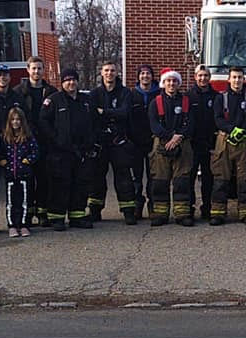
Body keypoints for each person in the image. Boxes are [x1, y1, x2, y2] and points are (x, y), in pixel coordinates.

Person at [39, 68, 97, 231]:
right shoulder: (53, 100)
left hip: (82, 151)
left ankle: (77, 216)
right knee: (60, 184)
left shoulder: (86, 100)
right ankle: (56, 217)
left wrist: (92, 141)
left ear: (77, 82)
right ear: (62, 82)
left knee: (81, 184)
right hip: (60, 151)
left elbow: (95, 121)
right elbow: (43, 122)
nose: (71, 83)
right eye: (67, 80)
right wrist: (56, 140)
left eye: (73, 80)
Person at [88, 61, 138, 224]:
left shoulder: (125, 93)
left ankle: (128, 211)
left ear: (117, 73)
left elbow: (124, 113)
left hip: (119, 141)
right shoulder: (94, 94)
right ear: (101, 73)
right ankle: (95, 211)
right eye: (106, 70)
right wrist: (111, 114)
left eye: (112, 71)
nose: (109, 73)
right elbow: (92, 116)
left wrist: (104, 112)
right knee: (96, 178)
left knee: (124, 178)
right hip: (100, 142)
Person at [210, 67, 246, 225]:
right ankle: (218, 213)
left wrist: (243, 130)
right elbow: (217, 119)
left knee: (245, 178)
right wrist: (231, 129)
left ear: (244, 80)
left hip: (244, 141)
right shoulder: (221, 98)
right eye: (234, 77)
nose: (237, 80)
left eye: (240, 77)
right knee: (221, 178)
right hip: (224, 140)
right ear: (229, 80)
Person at [14, 56, 57, 227]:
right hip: (26, 141)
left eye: (39, 68)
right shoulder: (18, 92)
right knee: (27, 180)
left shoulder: (52, 92)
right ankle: (27, 214)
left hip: (46, 141)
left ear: (43, 70)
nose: (36, 71)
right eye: (33, 68)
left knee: (44, 178)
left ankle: (42, 213)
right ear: (27, 69)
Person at [147, 68, 193, 226]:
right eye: (168, 81)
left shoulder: (186, 101)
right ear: (163, 83)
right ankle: (160, 214)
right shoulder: (155, 102)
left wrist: (178, 137)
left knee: (182, 180)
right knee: (160, 180)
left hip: (182, 143)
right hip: (161, 144)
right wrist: (169, 137)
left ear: (178, 83)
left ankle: (182, 214)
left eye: (174, 81)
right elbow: (153, 125)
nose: (171, 83)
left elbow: (191, 123)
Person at [0, 107, 39, 238]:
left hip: (24, 174)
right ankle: (12, 225)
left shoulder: (28, 137)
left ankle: (24, 224)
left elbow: (35, 152)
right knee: (11, 202)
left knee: (25, 201)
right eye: (13, 120)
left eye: (18, 120)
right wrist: (2, 161)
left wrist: (28, 160)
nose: (15, 122)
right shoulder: (5, 137)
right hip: (10, 175)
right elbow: (0, 153)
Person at [128, 64, 159, 219]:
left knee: (153, 175)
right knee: (136, 177)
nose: (145, 76)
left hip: (154, 141)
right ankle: (136, 206)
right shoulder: (132, 95)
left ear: (152, 77)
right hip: (135, 142)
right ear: (138, 76)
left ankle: (152, 205)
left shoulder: (159, 94)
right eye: (142, 74)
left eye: (148, 73)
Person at [187, 64, 217, 220]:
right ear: (195, 77)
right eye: (200, 75)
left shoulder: (216, 96)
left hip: (210, 144)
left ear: (209, 78)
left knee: (208, 178)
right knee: (190, 177)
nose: (203, 78)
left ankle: (207, 207)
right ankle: (189, 208)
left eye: (205, 75)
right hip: (192, 144)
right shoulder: (188, 96)